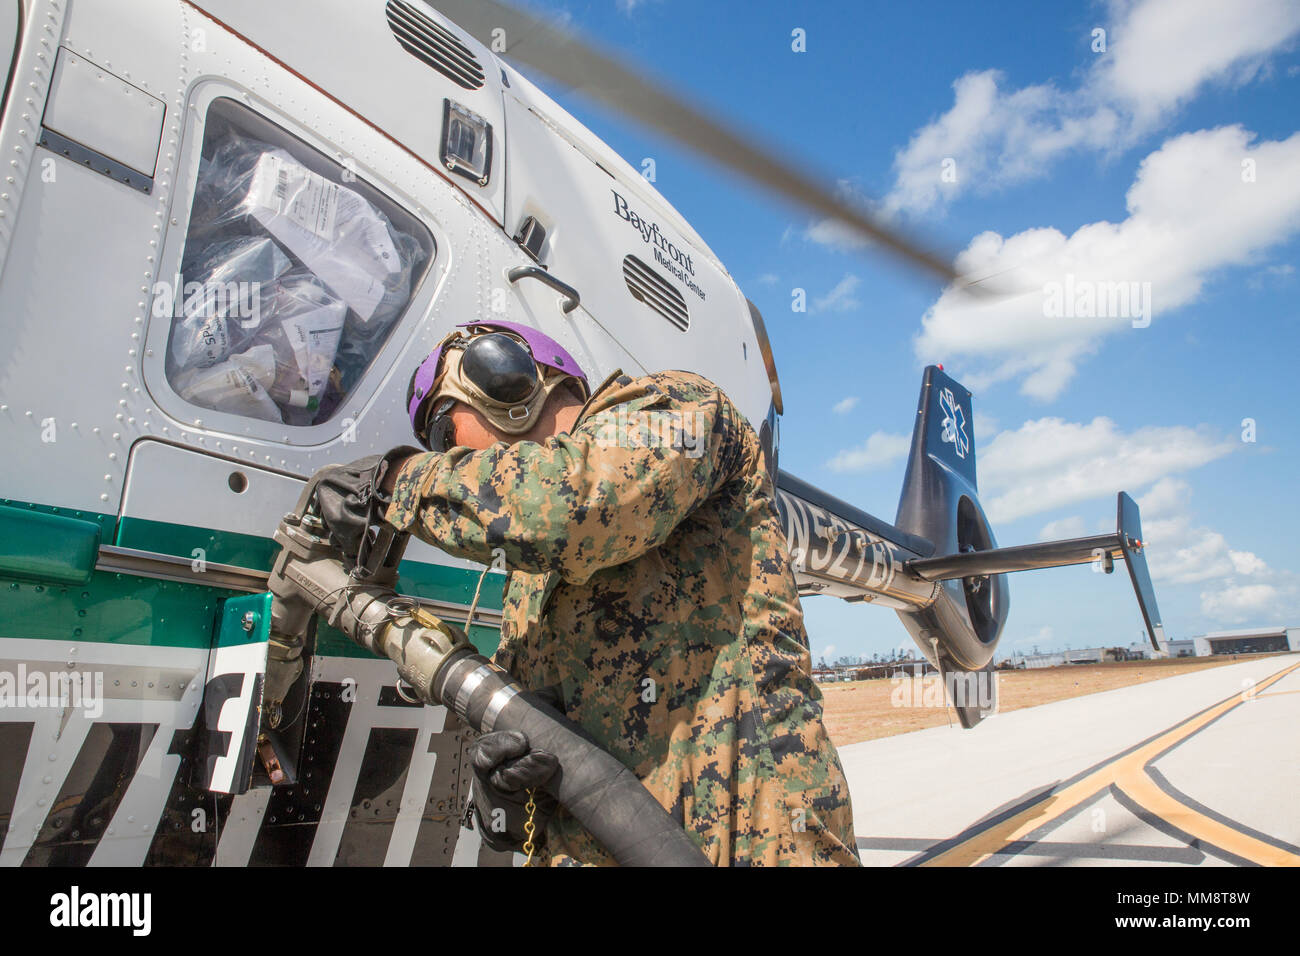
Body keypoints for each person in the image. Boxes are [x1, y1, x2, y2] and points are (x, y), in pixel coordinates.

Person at [321, 320, 859, 866]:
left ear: (502, 379)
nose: (448, 456)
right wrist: (502, 798)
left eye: (440, 433)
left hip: (756, 843)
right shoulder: (527, 586)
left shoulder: (679, 406)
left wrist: (396, 479)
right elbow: (533, 760)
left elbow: (575, 506)